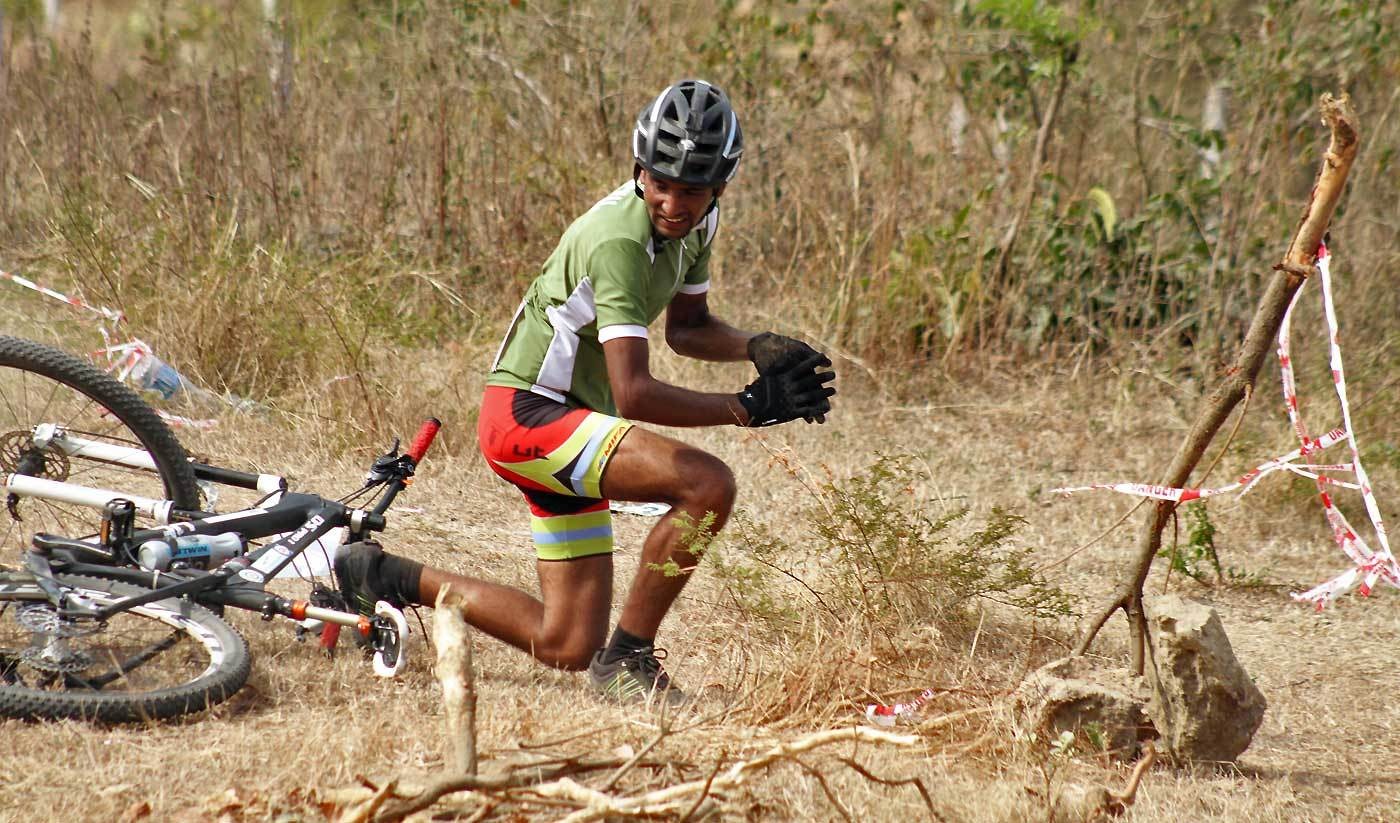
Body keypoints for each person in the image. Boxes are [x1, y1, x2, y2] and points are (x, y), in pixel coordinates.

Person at [335, 79, 835, 706]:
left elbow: (687, 328)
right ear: (639, 170)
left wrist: (758, 345)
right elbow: (634, 395)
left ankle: (377, 573)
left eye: (693, 189)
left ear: (720, 188)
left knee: (566, 643)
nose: (674, 203)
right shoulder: (621, 238)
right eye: (661, 183)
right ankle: (627, 660)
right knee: (707, 485)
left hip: (564, 422)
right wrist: (746, 408)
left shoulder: (698, 223)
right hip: (527, 417)